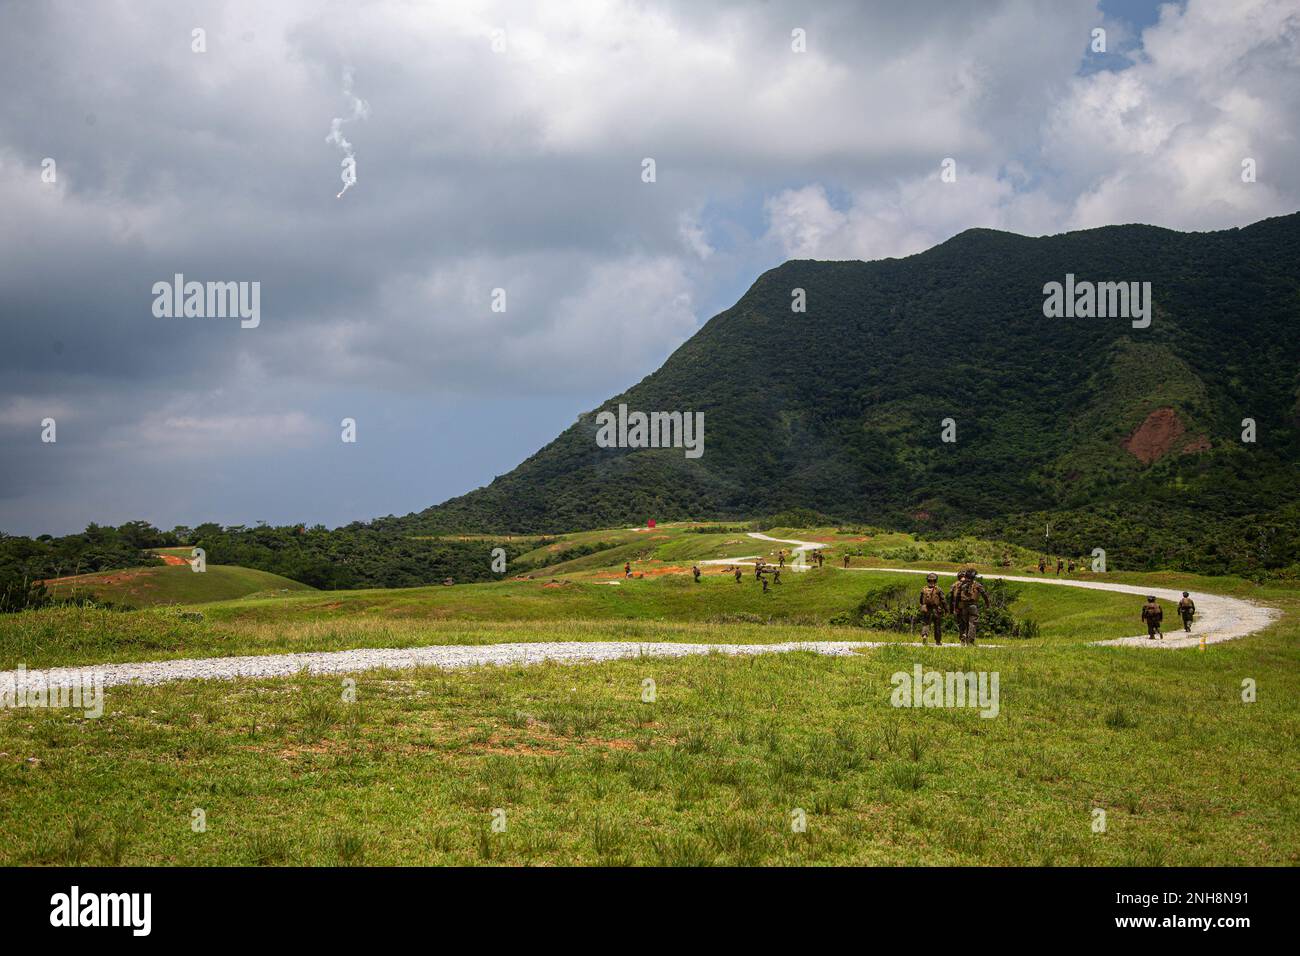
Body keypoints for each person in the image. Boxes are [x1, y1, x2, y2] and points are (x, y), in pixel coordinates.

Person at [954, 568, 990, 645]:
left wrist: (956, 607)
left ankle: (964, 637)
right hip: (973, 606)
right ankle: (970, 641)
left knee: (966, 623)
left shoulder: (962, 585)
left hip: (964, 606)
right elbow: (985, 595)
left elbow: (957, 596)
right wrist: (987, 604)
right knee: (972, 623)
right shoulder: (977, 585)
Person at [918, 572, 947, 645]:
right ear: (936, 580)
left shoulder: (923, 589)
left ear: (927, 580)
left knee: (926, 623)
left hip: (927, 609)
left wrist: (922, 606)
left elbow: (921, 600)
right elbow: (943, 600)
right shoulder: (938, 589)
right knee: (937, 625)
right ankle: (938, 641)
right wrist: (946, 609)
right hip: (936, 609)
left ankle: (925, 635)